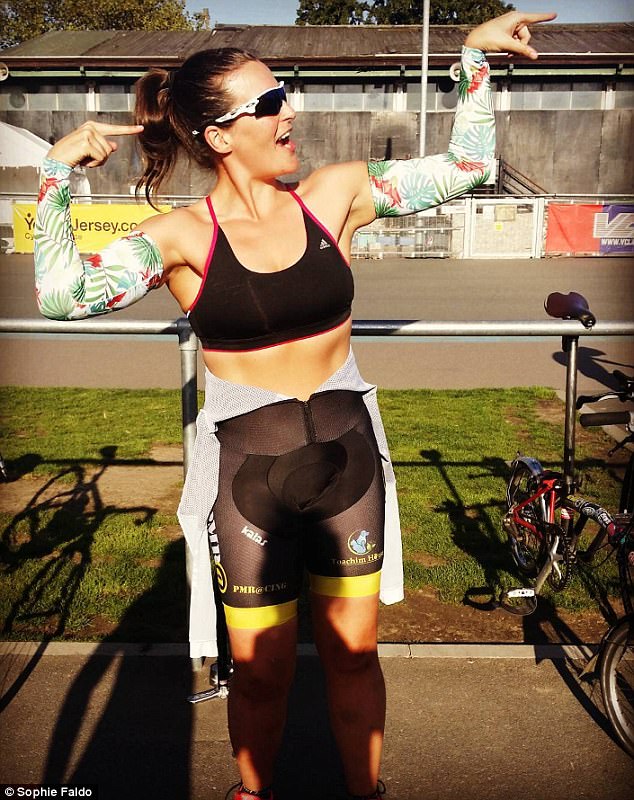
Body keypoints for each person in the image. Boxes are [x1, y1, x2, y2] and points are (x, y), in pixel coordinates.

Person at [34, 10, 556, 799]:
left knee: (354, 656)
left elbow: (469, 166)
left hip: (349, 468)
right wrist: (54, 171)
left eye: (286, 95)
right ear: (220, 135)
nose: (291, 112)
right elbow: (59, 295)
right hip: (249, 480)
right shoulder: (180, 236)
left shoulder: (334, 196)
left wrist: (474, 59)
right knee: (260, 672)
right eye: (271, 102)